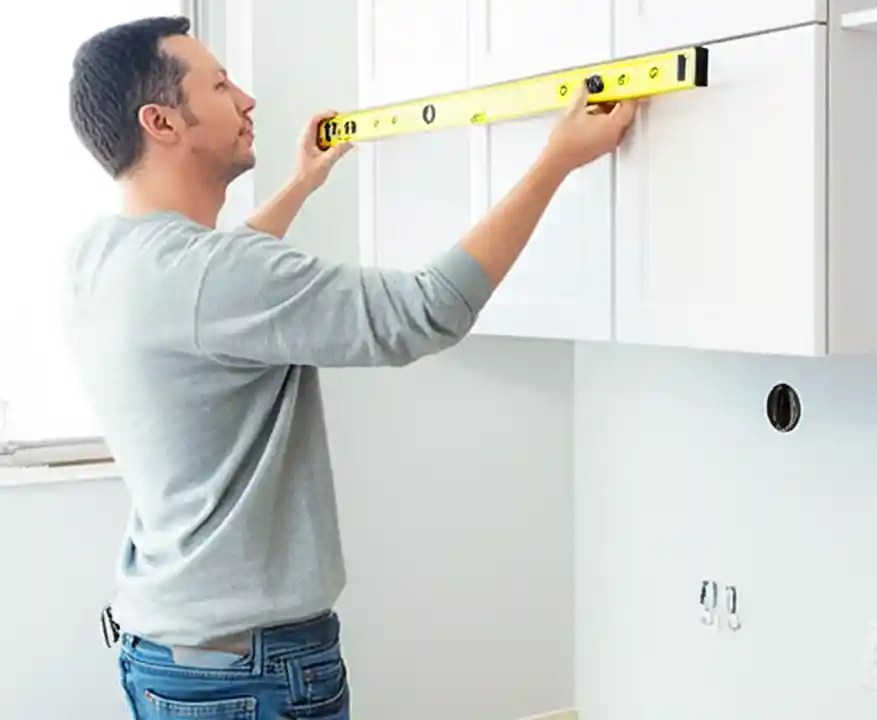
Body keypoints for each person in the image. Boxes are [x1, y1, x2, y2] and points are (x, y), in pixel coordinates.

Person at [64, 15, 636, 719]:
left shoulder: (102, 256)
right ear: (162, 122)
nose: (247, 99)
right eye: (218, 85)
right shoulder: (212, 277)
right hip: (250, 672)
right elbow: (425, 311)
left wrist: (303, 185)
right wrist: (556, 159)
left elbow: (211, 296)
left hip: (165, 650)